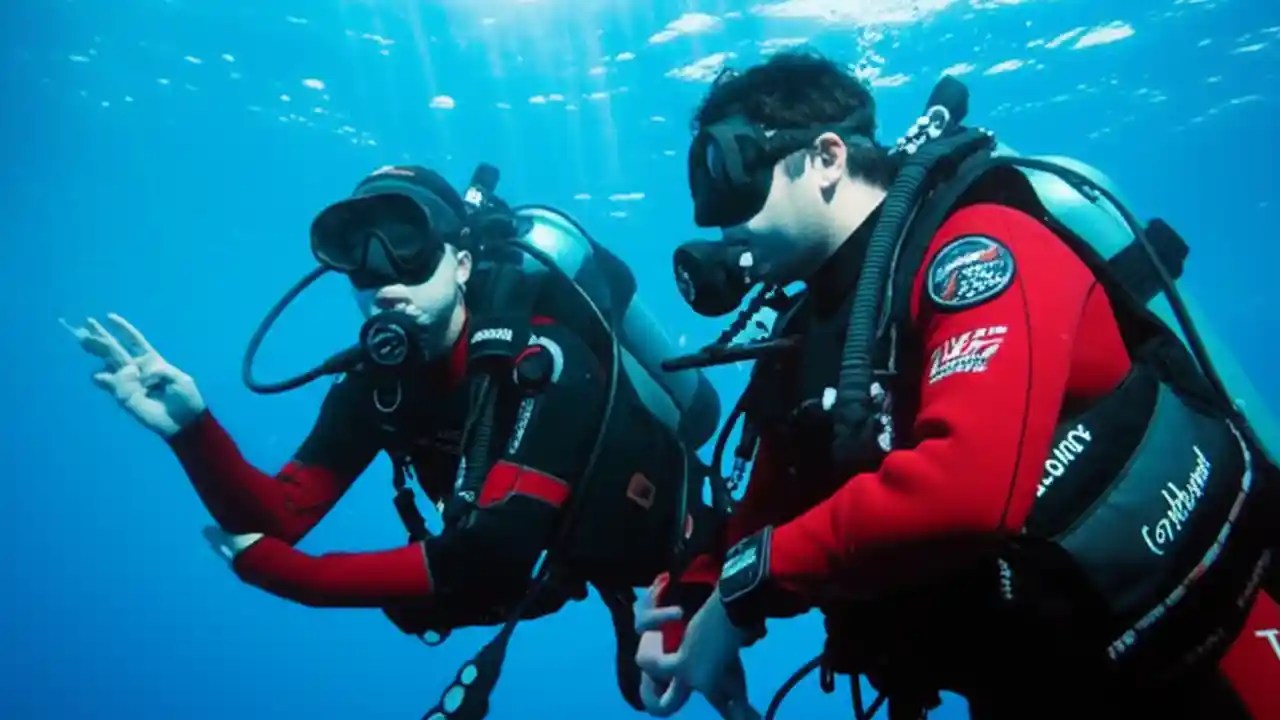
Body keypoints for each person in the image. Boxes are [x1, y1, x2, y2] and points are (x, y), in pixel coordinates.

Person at [633, 50, 1280, 719]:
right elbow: (768, 510)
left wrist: (745, 590)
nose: (715, 218)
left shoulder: (979, 245)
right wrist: (691, 603)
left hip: (1205, 661)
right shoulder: (815, 331)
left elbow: (965, 489)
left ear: (826, 157)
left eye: (733, 174)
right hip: (1032, 684)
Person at [65, 164, 726, 717]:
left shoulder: (545, 355)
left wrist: (292, 578)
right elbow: (283, 513)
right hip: (540, 549)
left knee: (661, 690)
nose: (384, 280)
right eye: (360, 259)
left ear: (462, 263)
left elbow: (491, 553)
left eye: (408, 246)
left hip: (662, 533)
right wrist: (191, 428)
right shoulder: (374, 386)